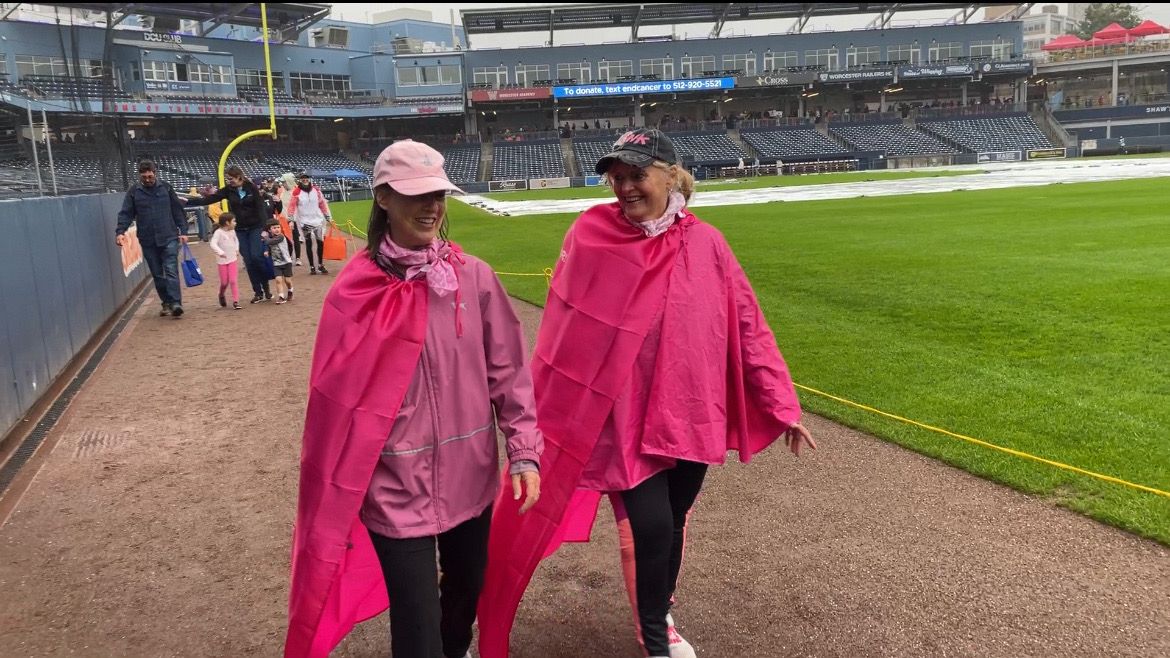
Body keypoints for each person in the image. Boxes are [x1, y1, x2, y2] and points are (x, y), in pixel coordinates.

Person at [477, 128, 816, 658]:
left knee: (674, 520)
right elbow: (568, 326)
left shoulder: (708, 242)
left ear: (671, 175)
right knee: (652, 525)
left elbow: (747, 323)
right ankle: (656, 640)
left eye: (636, 175)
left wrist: (782, 404)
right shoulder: (592, 233)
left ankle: (657, 608)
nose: (625, 187)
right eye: (617, 177)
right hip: (623, 415)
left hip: (690, 409)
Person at [285, 139, 544, 658]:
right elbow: (333, 405)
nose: (430, 207)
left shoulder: (473, 279)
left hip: (470, 478)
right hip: (394, 486)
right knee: (416, 617)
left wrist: (524, 450)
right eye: (415, 194)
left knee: (464, 593)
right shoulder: (354, 292)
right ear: (382, 197)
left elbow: (510, 373)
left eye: (438, 194)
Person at [185, 165, 272, 303]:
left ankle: (266, 287)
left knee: (256, 257)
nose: (229, 181)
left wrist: (264, 228)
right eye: (227, 179)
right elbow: (210, 199)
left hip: (255, 227)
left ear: (239, 177)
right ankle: (258, 291)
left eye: (231, 178)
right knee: (248, 261)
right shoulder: (228, 190)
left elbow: (260, 207)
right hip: (240, 230)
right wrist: (189, 201)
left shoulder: (252, 188)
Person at [115, 159, 188, 318]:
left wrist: (183, 230)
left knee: (171, 270)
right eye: (144, 177)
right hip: (148, 239)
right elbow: (126, 213)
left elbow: (177, 210)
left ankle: (176, 302)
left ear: (155, 173)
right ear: (140, 176)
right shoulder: (134, 192)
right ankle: (166, 302)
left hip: (169, 236)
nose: (147, 179)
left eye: (150, 176)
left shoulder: (166, 188)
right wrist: (120, 231)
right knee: (157, 274)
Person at [287, 172, 333, 275]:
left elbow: (322, 204)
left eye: (306, 178)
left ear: (309, 179)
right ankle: (312, 266)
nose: (305, 180)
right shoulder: (296, 192)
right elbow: (292, 206)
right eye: (303, 178)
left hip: (318, 219)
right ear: (300, 180)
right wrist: (290, 219)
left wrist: (327, 216)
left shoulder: (316, 190)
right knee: (308, 243)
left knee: (320, 242)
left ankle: (320, 264)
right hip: (305, 221)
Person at [208, 213, 242, 310]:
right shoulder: (218, 233)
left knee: (233, 280)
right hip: (222, 261)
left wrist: (236, 249)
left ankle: (236, 301)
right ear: (227, 223)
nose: (235, 223)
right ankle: (221, 294)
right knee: (224, 282)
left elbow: (236, 241)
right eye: (233, 221)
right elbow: (213, 244)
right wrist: (220, 252)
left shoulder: (232, 231)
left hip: (232, 259)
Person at [262, 218, 294, 304]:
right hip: (277, 263)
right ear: (270, 230)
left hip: (286, 262)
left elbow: (270, 242)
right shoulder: (270, 238)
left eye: (278, 227)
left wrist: (264, 237)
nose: (277, 229)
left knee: (287, 281)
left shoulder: (281, 236)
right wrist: (267, 251)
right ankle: (281, 296)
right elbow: (269, 245)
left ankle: (290, 290)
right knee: (278, 280)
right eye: (274, 228)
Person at [277, 172, 303, 265]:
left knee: (296, 238)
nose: (283, 184)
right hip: (284, 220)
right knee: (287, 239)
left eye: (284, 182)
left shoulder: (296, 192)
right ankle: (289, 257)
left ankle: (298, 258)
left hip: (294, 219)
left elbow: (297, 207)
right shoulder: (283, 192)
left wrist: (293, 219)